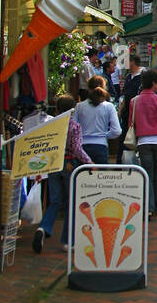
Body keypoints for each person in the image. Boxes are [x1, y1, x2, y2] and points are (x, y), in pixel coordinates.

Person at [31, 94, 92, 253]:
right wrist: (89, 162)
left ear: (57, 108)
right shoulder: (74, 126)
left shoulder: (51, 124)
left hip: (53, 164)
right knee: (70, 202)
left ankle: (44, 227)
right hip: (69, 164)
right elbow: (77, 149)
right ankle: (67, 240)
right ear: (73, 109)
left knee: (55, 200)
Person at [129, 68, 157, 218]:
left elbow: (131, 123)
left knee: (147, 173)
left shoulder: (134, 101)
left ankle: (149, 206)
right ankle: (155, 206)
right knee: (156, 174)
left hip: (143, 141)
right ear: (154, 83)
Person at [74, 75, 122, 164]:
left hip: (82, 147)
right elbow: (117, 131)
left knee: (81, 176)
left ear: (88, 89)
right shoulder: (109, 107)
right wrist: (104, 135)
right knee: (100, 176)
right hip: (101, 145)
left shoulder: (79, 106)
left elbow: (74, 129)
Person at [117, 52, 144, 161]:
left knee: (134, 138)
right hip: (126, 113)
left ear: (133, 62)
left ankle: (133, 164)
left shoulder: (142, 76)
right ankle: (120, 163)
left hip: (137, 113)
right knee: (124, 138)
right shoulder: (128, 76)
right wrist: (120, 110)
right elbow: (125, 95)